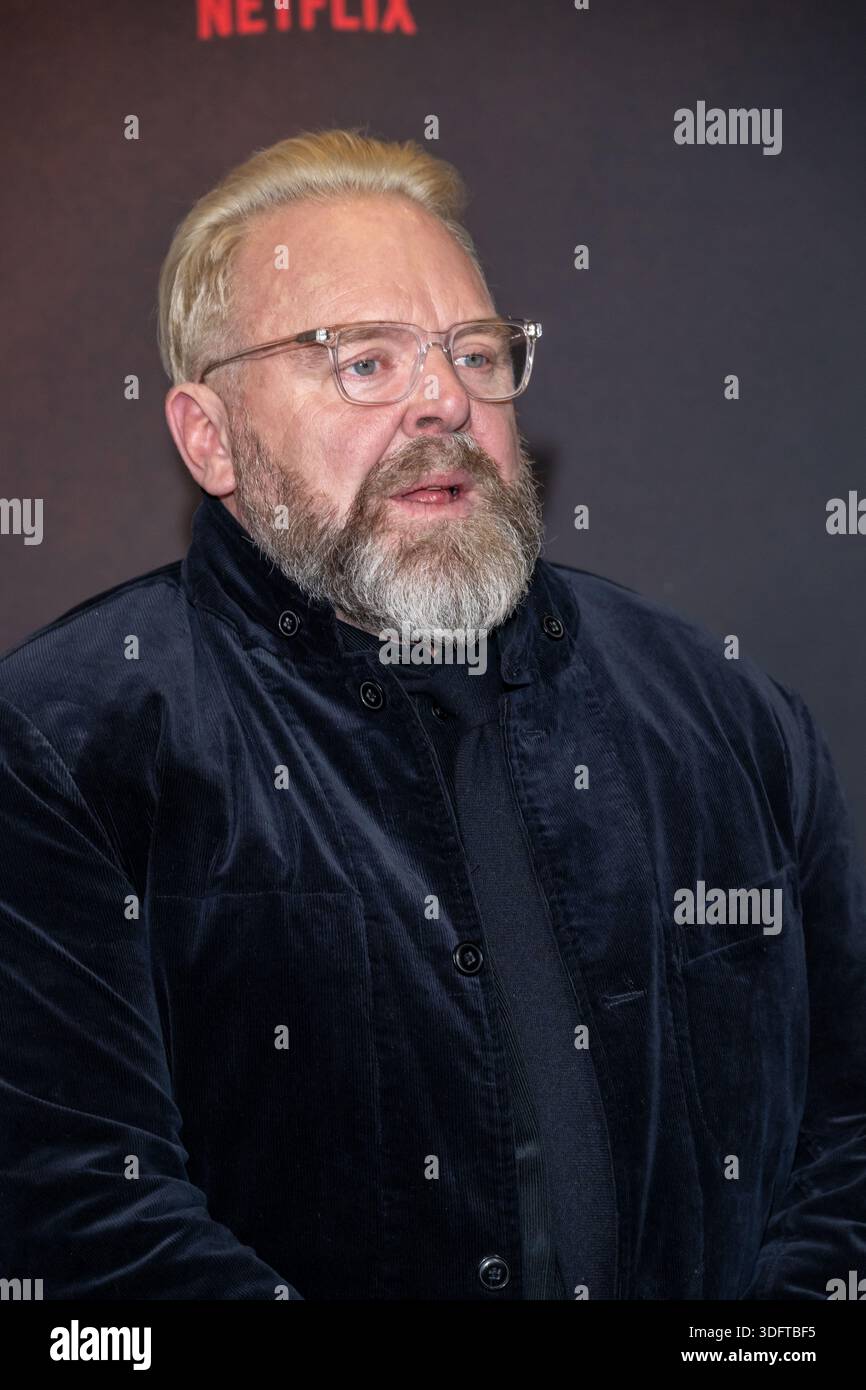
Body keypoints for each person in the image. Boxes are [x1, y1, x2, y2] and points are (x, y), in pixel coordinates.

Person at [1, 128, 864, 1301]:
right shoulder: (67, 740)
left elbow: (846, 1140)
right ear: (210, 437)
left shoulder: (721, 710)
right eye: (362, 361)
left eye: (475, 352)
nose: (443, 400)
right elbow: (77, 1217)